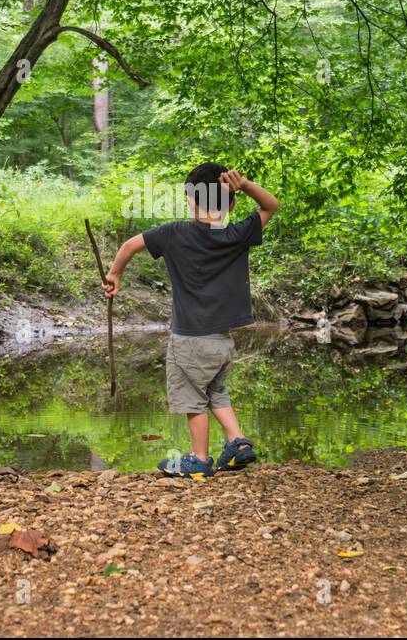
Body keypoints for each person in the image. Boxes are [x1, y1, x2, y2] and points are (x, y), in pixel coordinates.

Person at [103, 163, 278, 478]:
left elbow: (130, 245)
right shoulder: (238, 234)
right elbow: (271, 205)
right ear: (233, 203)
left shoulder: (172, 233)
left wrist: (114, 275)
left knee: (194, 400)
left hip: (189, 340)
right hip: (222, 341)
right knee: (216, 391)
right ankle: (238, 443)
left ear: (190, 199)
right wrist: (246, 185)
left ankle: (198, 459)